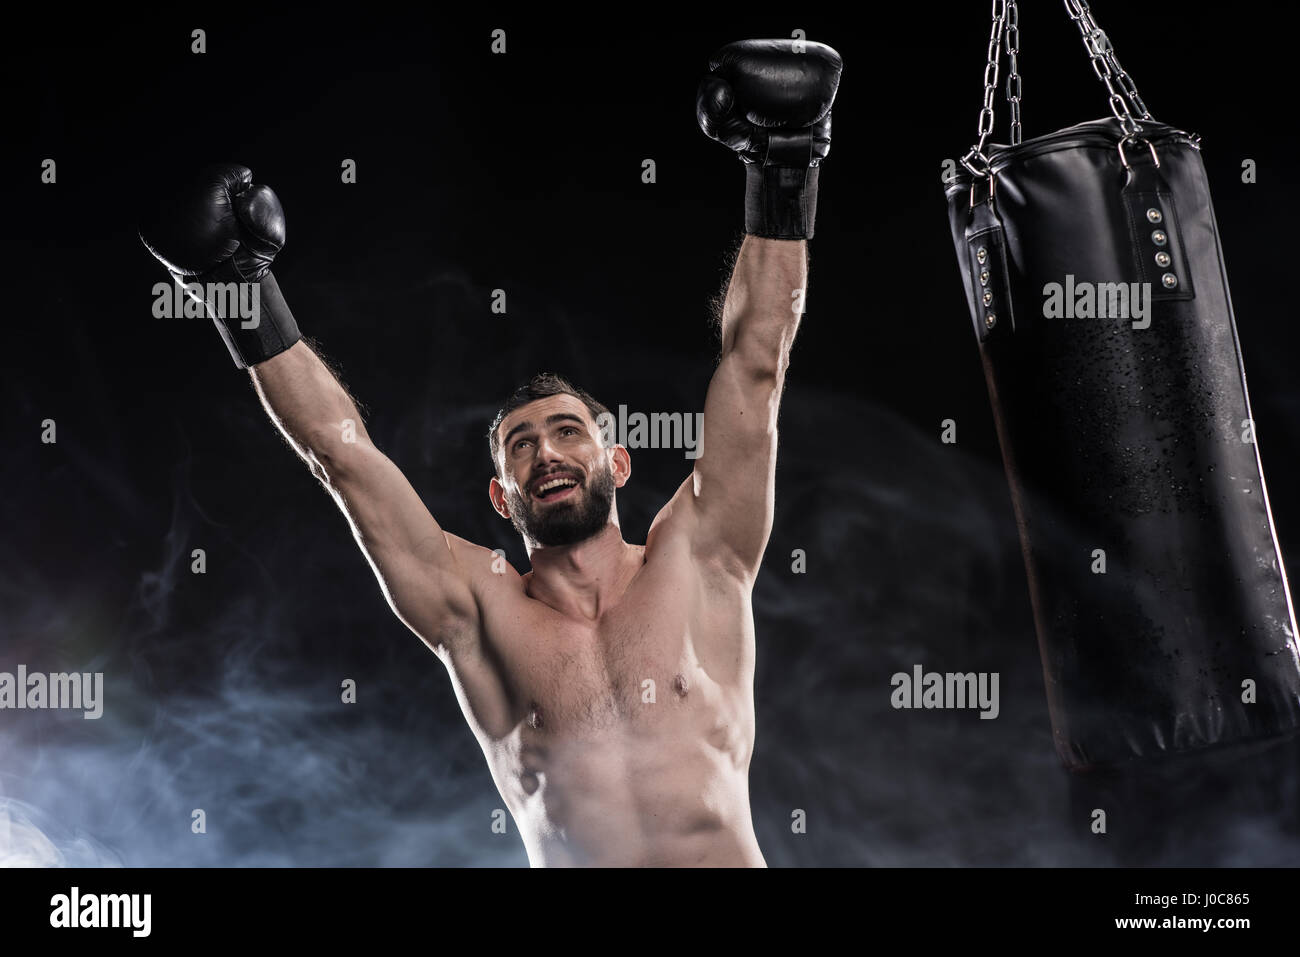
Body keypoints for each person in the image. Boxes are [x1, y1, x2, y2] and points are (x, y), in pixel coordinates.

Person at [139, 39, 842, 867]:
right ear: (502, 497)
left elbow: (756, 367)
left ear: (618, 464)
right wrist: (240, 294)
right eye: (521, 444)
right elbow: (343, 456)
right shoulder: (477, 610)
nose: (547, 451)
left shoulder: (702, 554)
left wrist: (784, 166)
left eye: (570, 430)